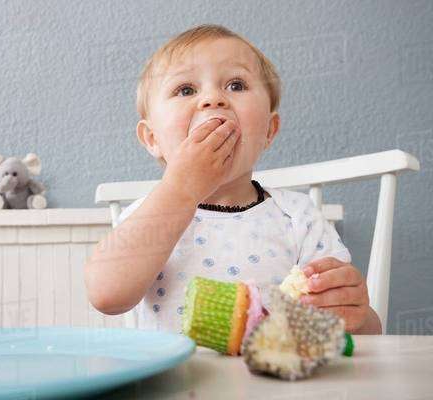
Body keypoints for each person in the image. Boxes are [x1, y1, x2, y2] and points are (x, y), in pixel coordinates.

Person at [84, 24, 382, 335]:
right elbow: (106, 294)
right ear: (152, 138)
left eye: (236, 85)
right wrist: (181, 187)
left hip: (275, 380)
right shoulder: (150, 215)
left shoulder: (298, 216)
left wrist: (357, 316)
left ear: (269, 130)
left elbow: (362, 332)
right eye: (186, 90)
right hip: (175, 383)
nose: (213, 99)